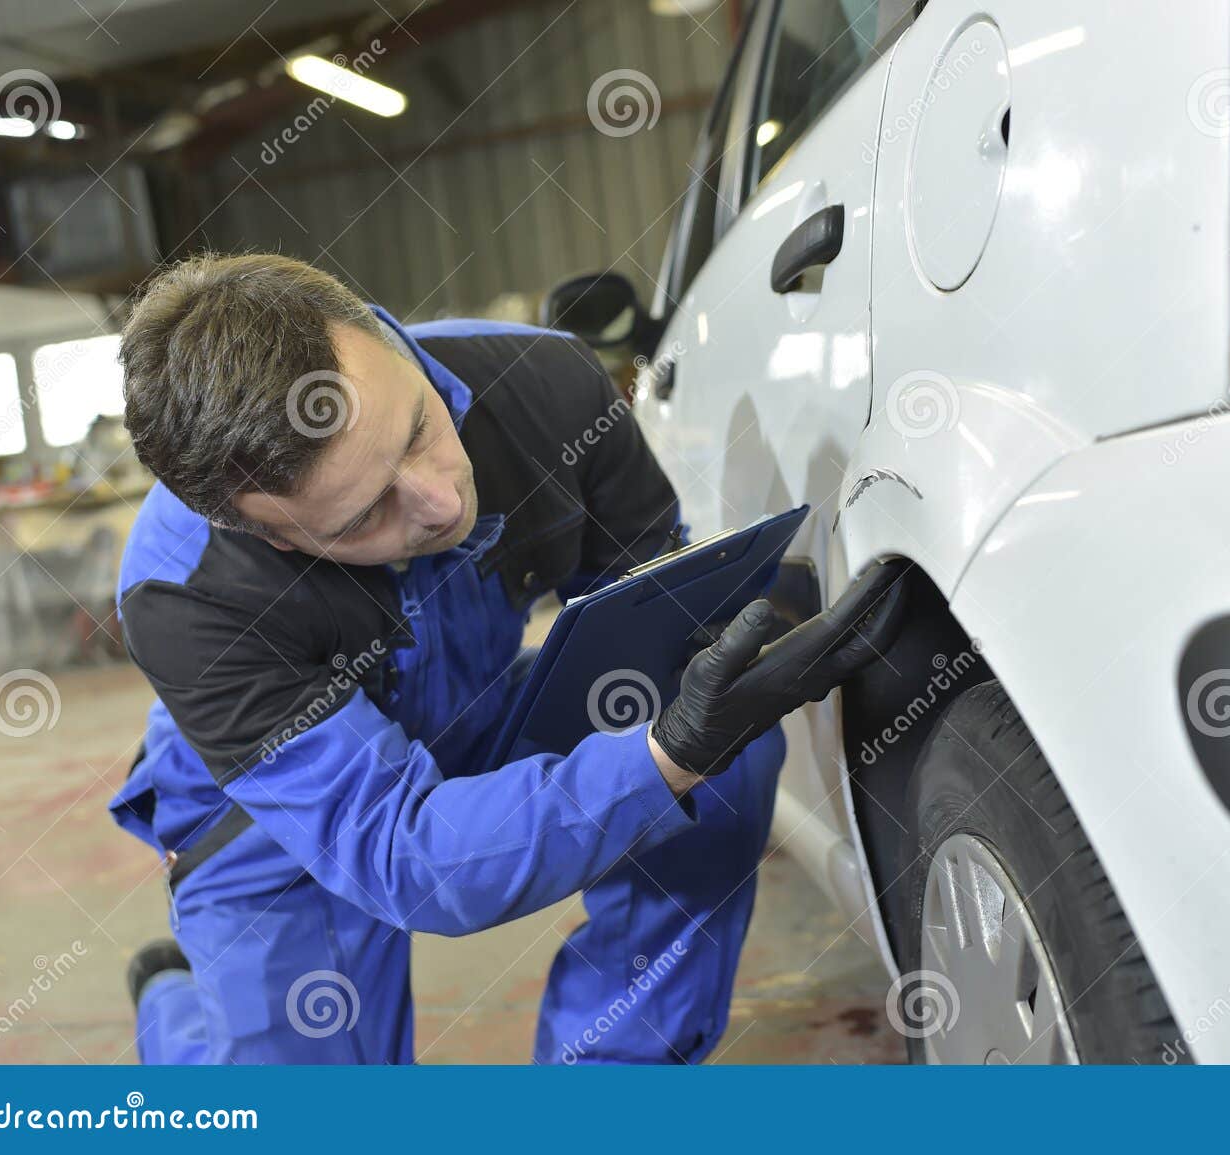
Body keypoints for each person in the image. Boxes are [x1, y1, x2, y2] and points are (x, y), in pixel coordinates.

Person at [108, 253, 905, 1064]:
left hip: (474, 708)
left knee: (722, 744)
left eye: (419, 428)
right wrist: (662, 759)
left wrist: (710, 678)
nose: (443, 499)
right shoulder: (186, 591)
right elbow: (405, 857)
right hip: (283, 813)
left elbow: (658, 630)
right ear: (272, 535)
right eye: (364, 514)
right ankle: (174, 1009)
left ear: (380, 330)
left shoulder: (547, 385)